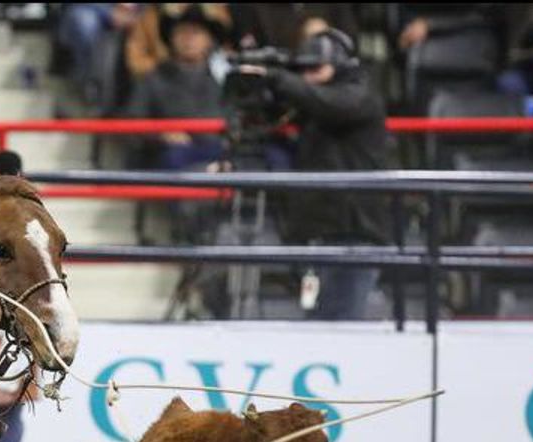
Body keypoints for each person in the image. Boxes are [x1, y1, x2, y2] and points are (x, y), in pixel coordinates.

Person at [239, 28, 388, 320]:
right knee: (318, 326)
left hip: (354, 232)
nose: (307, 76)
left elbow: (329, 103)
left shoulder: (360, 93)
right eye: (302, 70)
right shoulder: (309, 103)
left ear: (342, 64)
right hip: (318, 230)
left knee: (341, 324)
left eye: (315, 68)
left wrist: (276, 77)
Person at [124, 5, 230, 170]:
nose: (188, 39)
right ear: (171, 39)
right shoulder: (154, 77)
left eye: (196, 33)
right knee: (174, 159)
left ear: (209, 40)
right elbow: (133, 121)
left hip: (217, 148)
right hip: (173, 154)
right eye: (182, 32)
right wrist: (162, 135)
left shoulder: (223, 76)